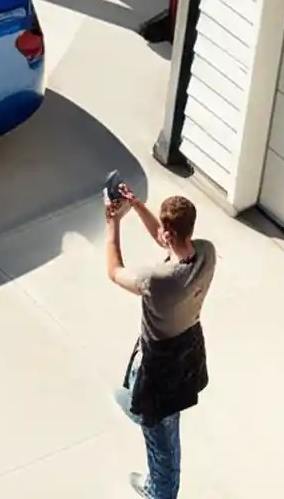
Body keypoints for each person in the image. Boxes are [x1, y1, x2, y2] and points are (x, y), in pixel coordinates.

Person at [104, 185, 216, 499]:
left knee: (160, 440)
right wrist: (137, 206)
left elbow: (114, 271)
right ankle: (159, 483)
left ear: (168, 234)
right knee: (168, 428)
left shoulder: (157, 280)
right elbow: (166, 240)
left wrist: (112, 222)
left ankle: (160, 492)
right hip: (187, 353)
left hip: (158, 367)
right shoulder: (206, 253)